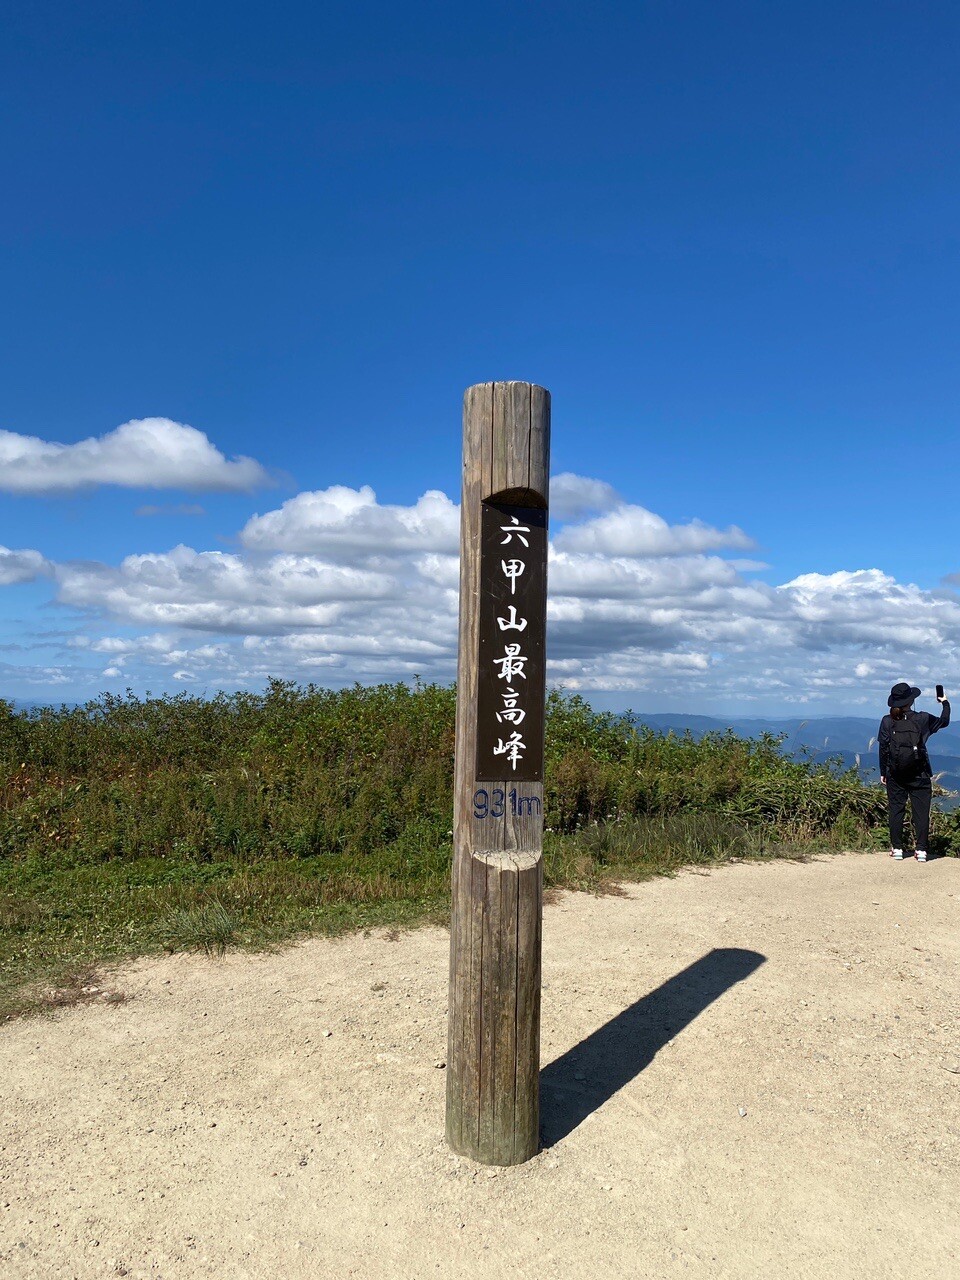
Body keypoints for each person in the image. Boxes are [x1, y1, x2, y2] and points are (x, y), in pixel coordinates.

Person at [878, 682, 950, 862]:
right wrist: (945, 703)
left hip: (895, 774)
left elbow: (883, 749)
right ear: (911, 701)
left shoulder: (887, 721)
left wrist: (883, 771)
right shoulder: (922, 718)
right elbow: (944, 722)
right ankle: (921, 851)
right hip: (920, 773)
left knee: (896, 810)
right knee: (921, 812)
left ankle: (897, 849)